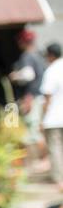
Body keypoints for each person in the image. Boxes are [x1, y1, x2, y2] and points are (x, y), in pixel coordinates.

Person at [9, 29, 46, 167]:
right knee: (35, 130)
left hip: (30, 98)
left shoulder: (27, 56)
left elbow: (28, 75)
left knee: (31, 132)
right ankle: (40, 161)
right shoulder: (39, 55)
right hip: (38, 98)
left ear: (23, 42)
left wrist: (15, 75)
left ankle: (41, 161)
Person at [39, 43, 63, 188]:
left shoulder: (52, 70)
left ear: (50, 55)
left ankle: (59, 180)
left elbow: (47, 97)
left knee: (55, 148)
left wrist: (43, 118)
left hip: (54, 118)